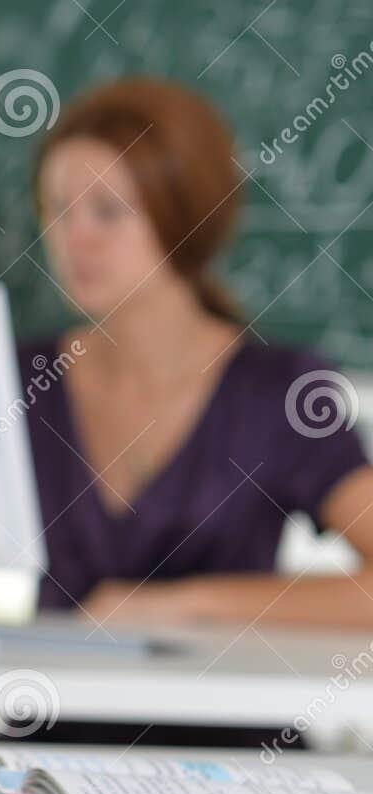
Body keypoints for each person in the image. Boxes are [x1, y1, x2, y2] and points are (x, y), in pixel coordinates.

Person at [21, 77, 373, 628]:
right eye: (57, 209)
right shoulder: (18, 377)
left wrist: (186, 605)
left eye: (108, 212)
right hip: (51, 707)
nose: (75, 238)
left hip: (224, 711)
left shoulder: (280, 391)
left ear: (181, 217)